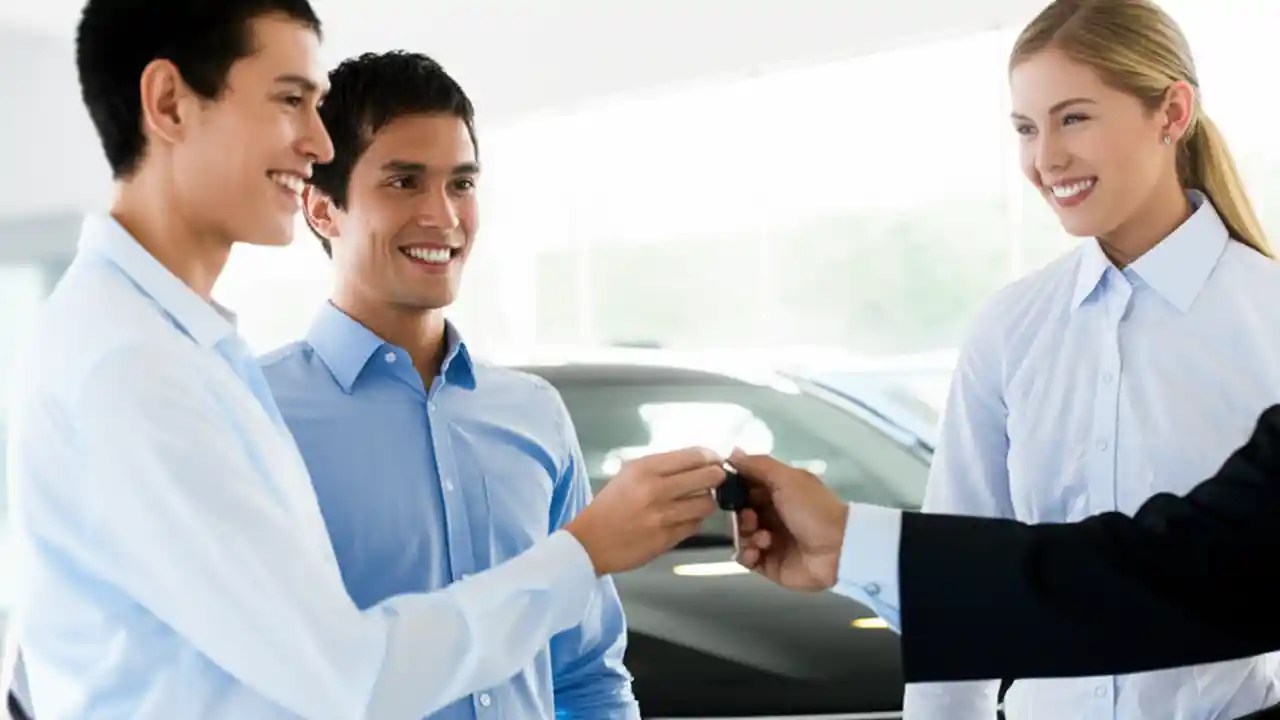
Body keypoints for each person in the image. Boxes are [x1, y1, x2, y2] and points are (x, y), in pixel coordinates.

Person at [4, 2, 725, 718]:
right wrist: (581, 553)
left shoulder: (182, 356)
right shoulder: (134, 368)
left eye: (462, 182)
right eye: (291, 101)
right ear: (169, 104)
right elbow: (346, 676)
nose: (317, 143)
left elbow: (586, 676)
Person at [898, 0, 1280, 716]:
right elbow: (961, 589)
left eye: (1074, 118)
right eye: (1025, 128)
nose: (1045, 159)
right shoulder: (1009, 329)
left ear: (1171, 113)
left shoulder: (1269, 318)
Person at [259, 50, 639, 719]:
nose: (443, 215)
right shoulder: (254, 415)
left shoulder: (534, 415)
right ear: (322, 209)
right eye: (405, 183)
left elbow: (586, 675)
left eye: (461, 184)